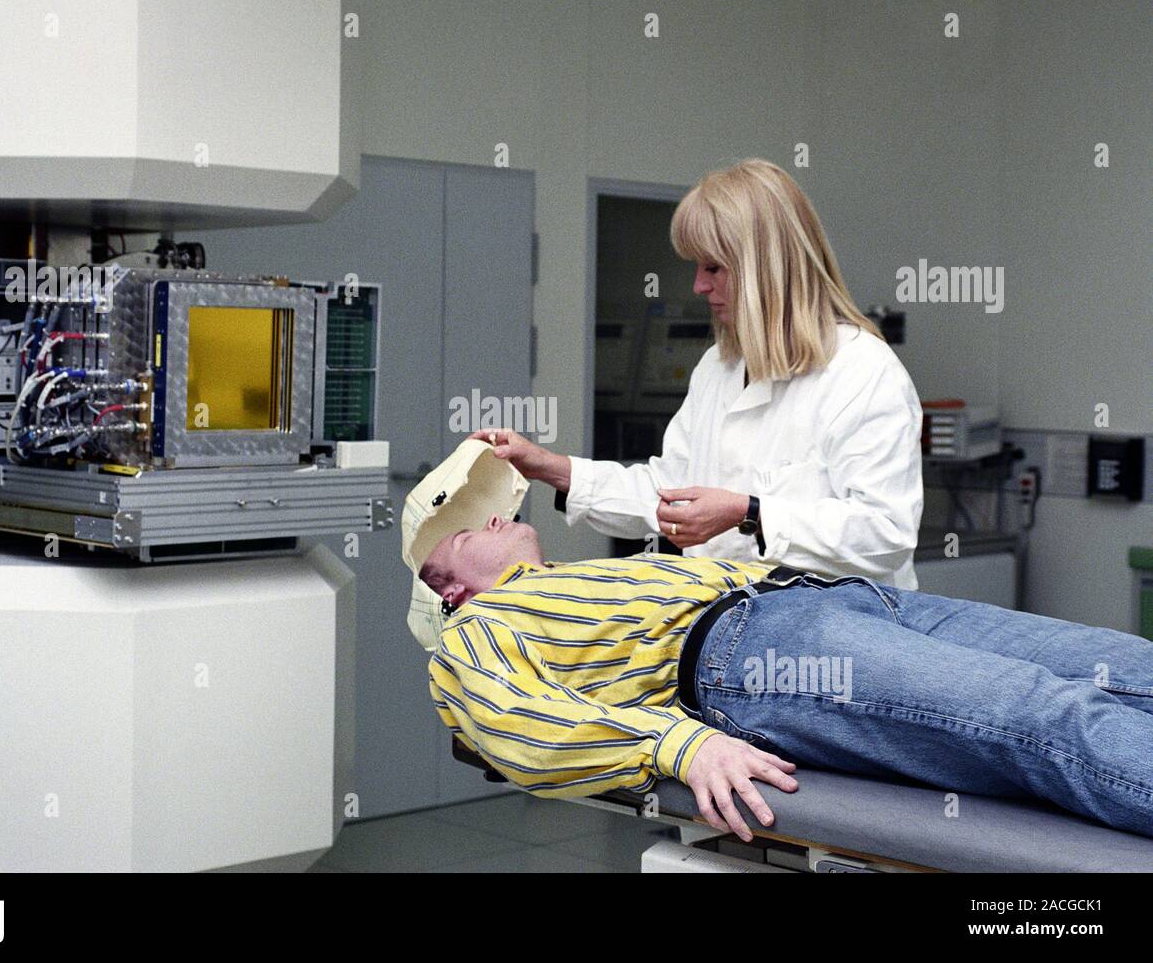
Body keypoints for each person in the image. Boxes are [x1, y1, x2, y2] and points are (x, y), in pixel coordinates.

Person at [413, 512, 1153, 842]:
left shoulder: (586, 574)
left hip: (846, 596)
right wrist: (678, 746)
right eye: (472, 531)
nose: (499, 519)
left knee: (1120, 662)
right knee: (1039, 715)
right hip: (753, 654)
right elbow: (515, 723)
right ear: (451, 591)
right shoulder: (479, 630)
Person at [475, 158, 924, 587]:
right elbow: (671, 491)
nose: (699, 285)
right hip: (731, 625)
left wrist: (750, 512)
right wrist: (551, 468)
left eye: (713, 267)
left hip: (838, 643)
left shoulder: (862, 370)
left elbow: (885, 533)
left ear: (766, 268)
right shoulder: (720, 368)